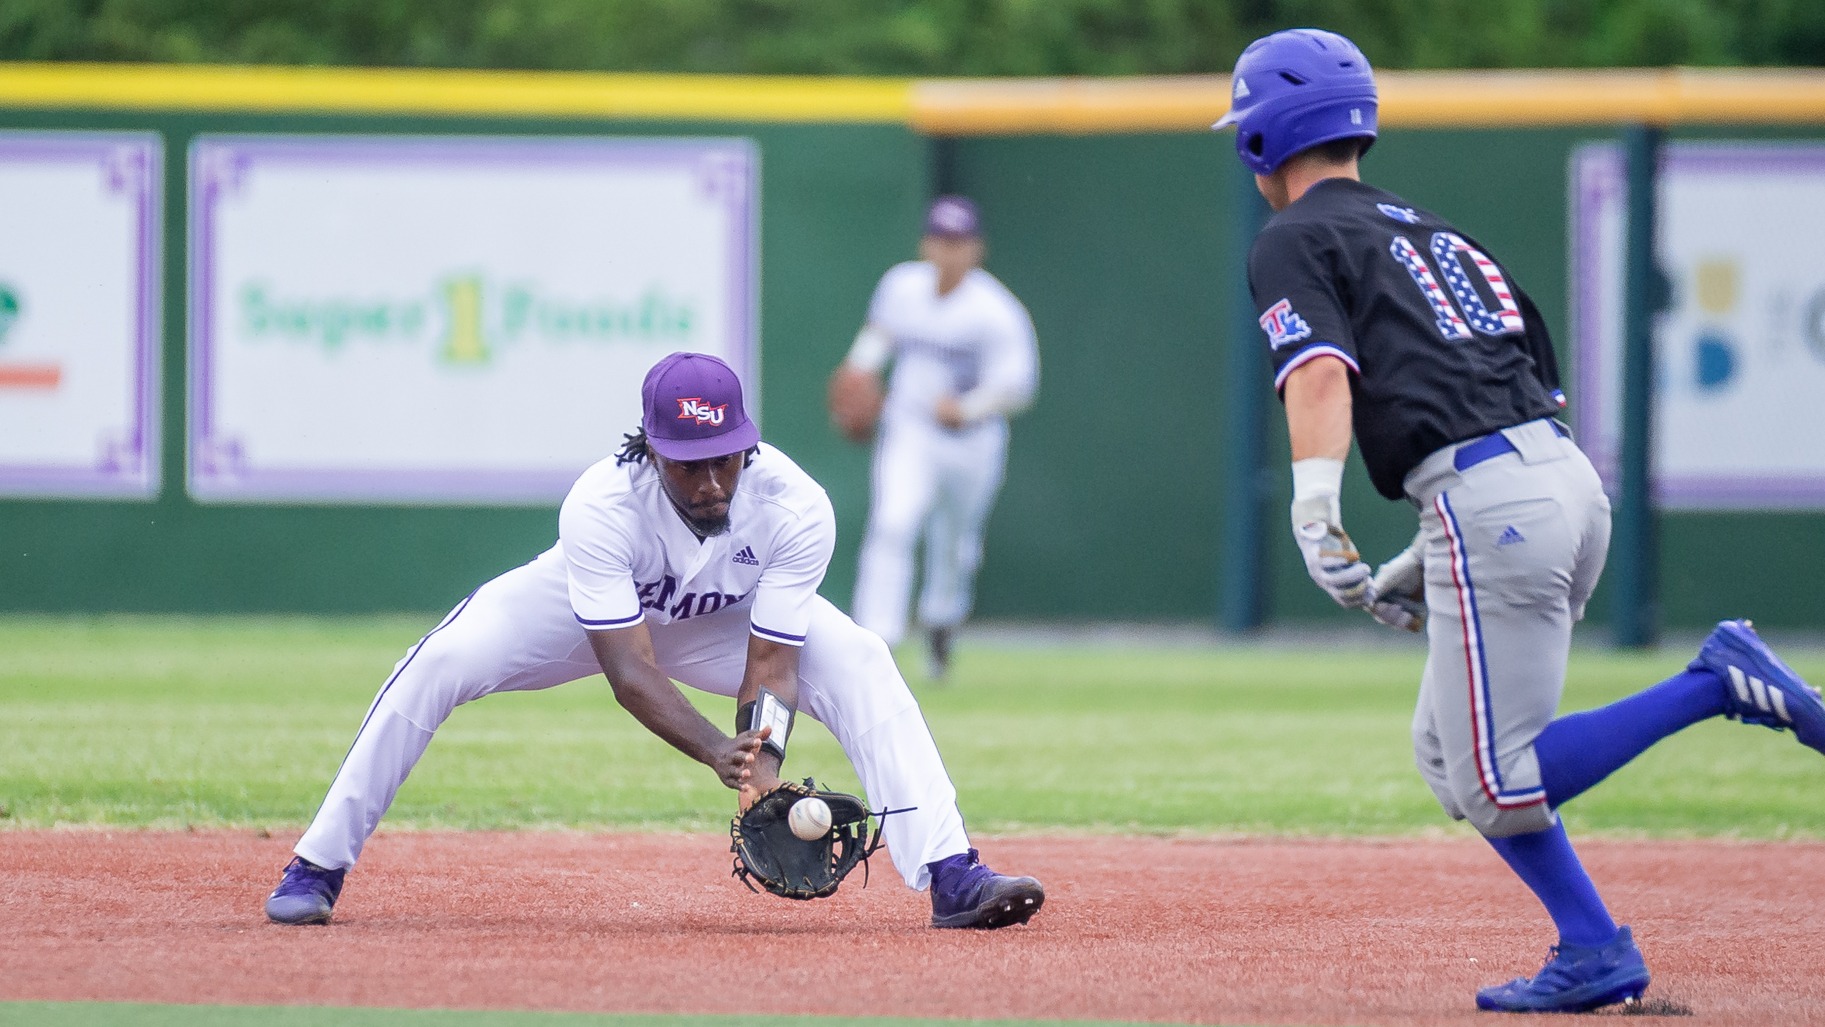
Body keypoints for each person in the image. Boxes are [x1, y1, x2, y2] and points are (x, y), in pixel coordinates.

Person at [1214, 27, 1825, 1014]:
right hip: (1555, 479)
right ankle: (1593, 946)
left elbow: (1320, 370)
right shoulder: (1436, 233)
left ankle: (1715, 681)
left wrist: (1313, 502)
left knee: (1498, 779)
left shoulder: (1293, 235)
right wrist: (1430, 539)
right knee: (1451, 763)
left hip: (1491, 500)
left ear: (1259, 140)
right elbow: (1511, 380)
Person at [263, 351, 1045, 931]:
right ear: (650, 450)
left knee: (863, 659)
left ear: (747, 442)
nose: (710, 482)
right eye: (687, 465)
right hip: (586, 613)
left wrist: (760, 775)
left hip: (722, 622)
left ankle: (952, 873)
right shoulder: (602, 505)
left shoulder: (795, 504)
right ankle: (318, 863)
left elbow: (771, 661)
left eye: (724, 459)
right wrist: (715, 749)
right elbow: (629, 669)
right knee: (437, 662)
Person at [826, 195, 1039, 681]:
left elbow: (1020, 386)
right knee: (894, 523)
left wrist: (968, 407)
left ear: (976, 249)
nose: (949, 251)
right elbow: (880, 336)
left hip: (973, 441)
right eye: (941, 240)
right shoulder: (902, 286)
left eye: (959, 242)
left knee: (955, 545)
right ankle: (874, 642)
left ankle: (941, 623)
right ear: (927, 243)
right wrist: (860, 370)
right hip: (911, 429)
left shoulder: (995, 310)